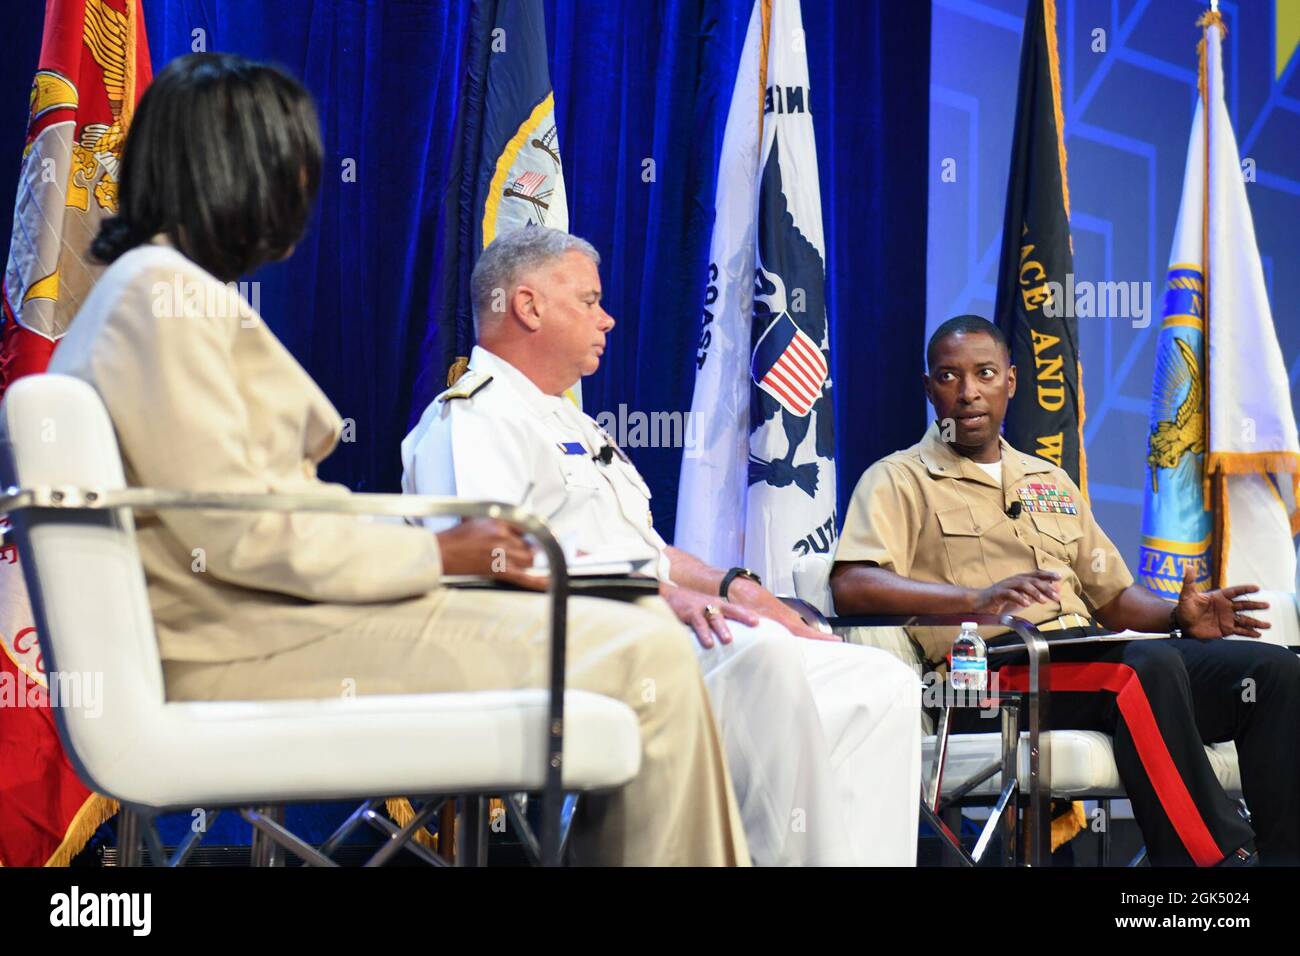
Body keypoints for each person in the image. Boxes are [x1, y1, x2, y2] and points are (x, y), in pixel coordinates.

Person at [45, 52, 749, 867]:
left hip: (259, 628)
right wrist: (441, 548)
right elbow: (245, 538)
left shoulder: (145, 292)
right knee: (646, 646)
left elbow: (249, 515)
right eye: (295, 160)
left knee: (632, 638)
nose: (308, 183)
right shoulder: (161, 301)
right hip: (254, 647)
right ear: (238, 169)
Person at [402, 226, 922, 866]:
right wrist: (655, 593)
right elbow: (490, 558)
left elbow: (647, 550)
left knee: (875, 679)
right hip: (559, 654)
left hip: (646, 633)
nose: (608, 318)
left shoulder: (573, 422)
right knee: (758, 657)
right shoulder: (473, 419)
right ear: (529, 306)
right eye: (589, 301)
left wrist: (744, 591)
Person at [831, 313, 1300, 866]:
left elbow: (1115, 598)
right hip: (991, 676)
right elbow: (851, 584)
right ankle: (1214, 868)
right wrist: (973, 600)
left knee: (1273, 673)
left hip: (1083, 654)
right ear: (929, 387)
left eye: (984, 373)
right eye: (949, 376)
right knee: (1138, 670)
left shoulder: (1048, 480)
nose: (968, 392)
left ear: (1010, 381)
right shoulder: (899, 479)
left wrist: (1178, 614)